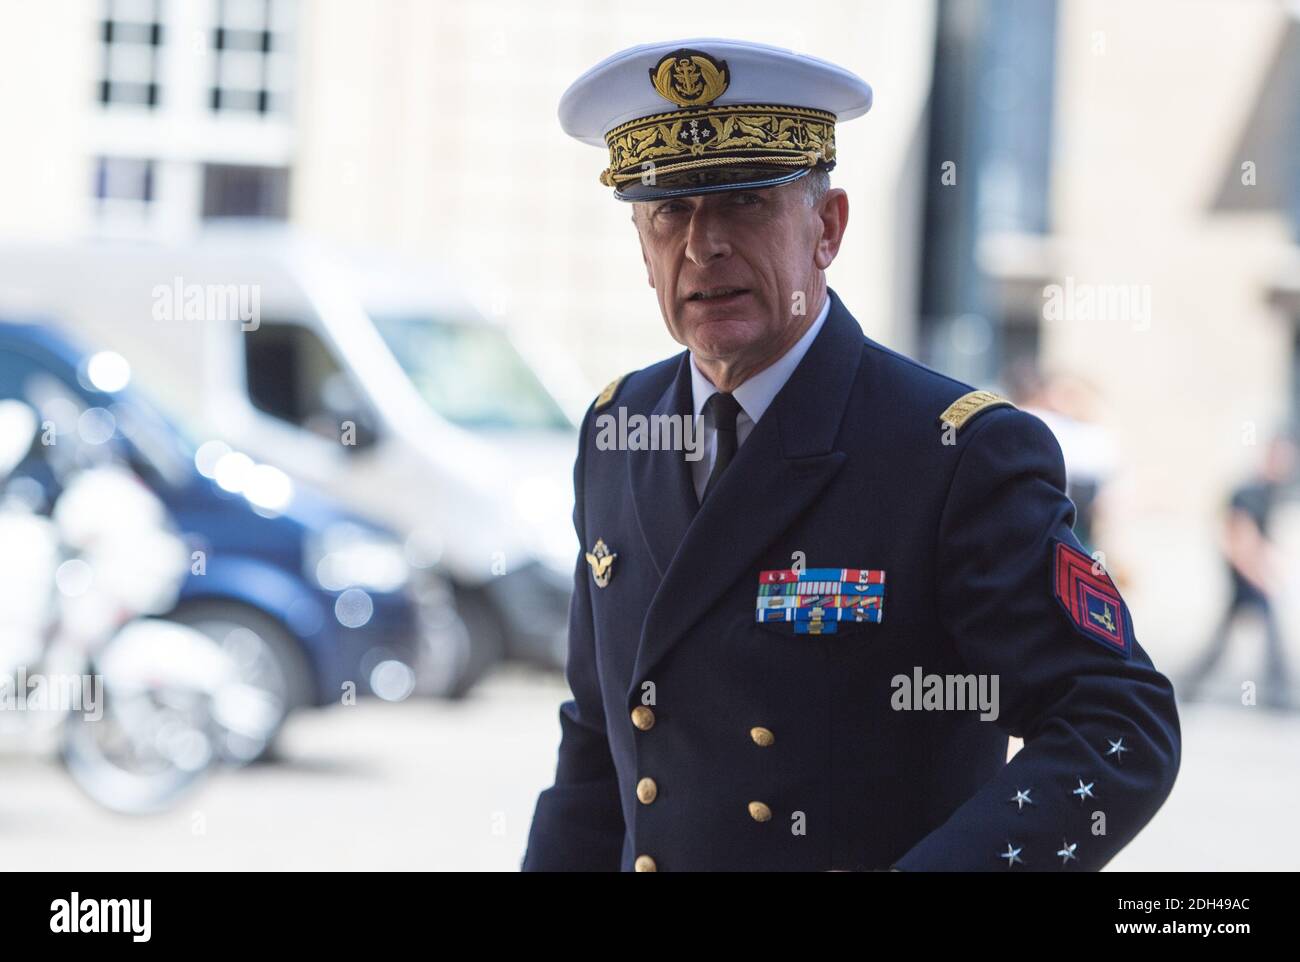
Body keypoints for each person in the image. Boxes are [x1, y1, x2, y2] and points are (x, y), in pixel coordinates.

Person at [522, 38, 1180, 872]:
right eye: (669, 213)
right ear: (642, 246)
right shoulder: (617, 429)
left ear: (826, 228)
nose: (702, 247)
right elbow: (595, 742)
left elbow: (1120, 726)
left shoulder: (951, 452)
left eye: (744, 205)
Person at [1182, 435, 1296, 709]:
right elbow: (1239, 536)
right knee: (1269, 633)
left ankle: (1191, 685)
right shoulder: (1247, 491)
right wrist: (1257, 574)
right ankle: (1278, 694)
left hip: (1253, 572)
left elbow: (1260, 536)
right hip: (1245, 574)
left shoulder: (1270, 492)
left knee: (1226, 636)